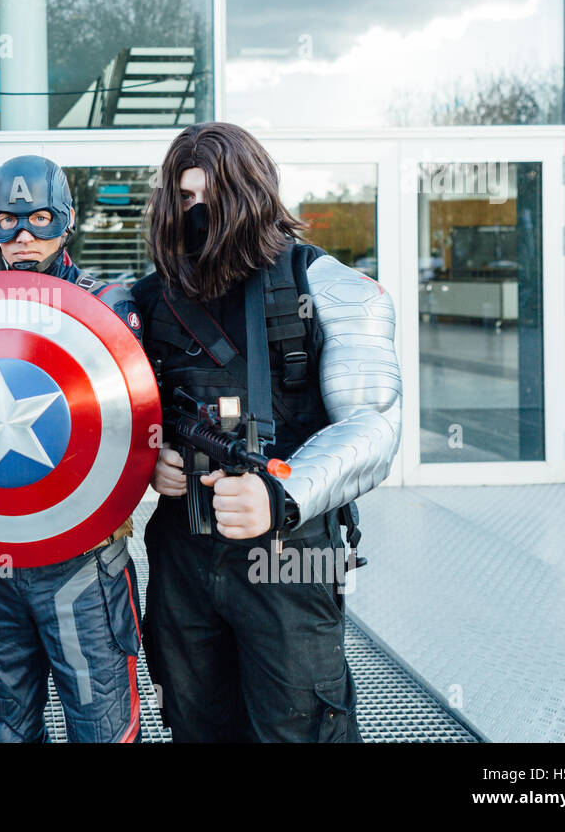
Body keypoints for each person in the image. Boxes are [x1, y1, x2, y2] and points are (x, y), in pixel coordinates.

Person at [131, 122, 402, 742]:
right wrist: (150, 458)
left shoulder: (326, 286)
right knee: (195, 722)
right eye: (185, 198)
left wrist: (281, 495)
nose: (197, 213)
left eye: (212, 196)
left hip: (289, 555)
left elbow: (375, 425)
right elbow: (112, 417)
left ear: (252, 192)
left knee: (298, 726)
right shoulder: (146, 301)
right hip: (183, 552)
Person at [0, 154, 143, 743]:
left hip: (81, 557)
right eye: (9, 220)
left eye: (40, 217)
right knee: (4, 728)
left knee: (102, 728)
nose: (25, 235)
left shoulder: (107, 306)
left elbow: (140, 423)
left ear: (68, 219)